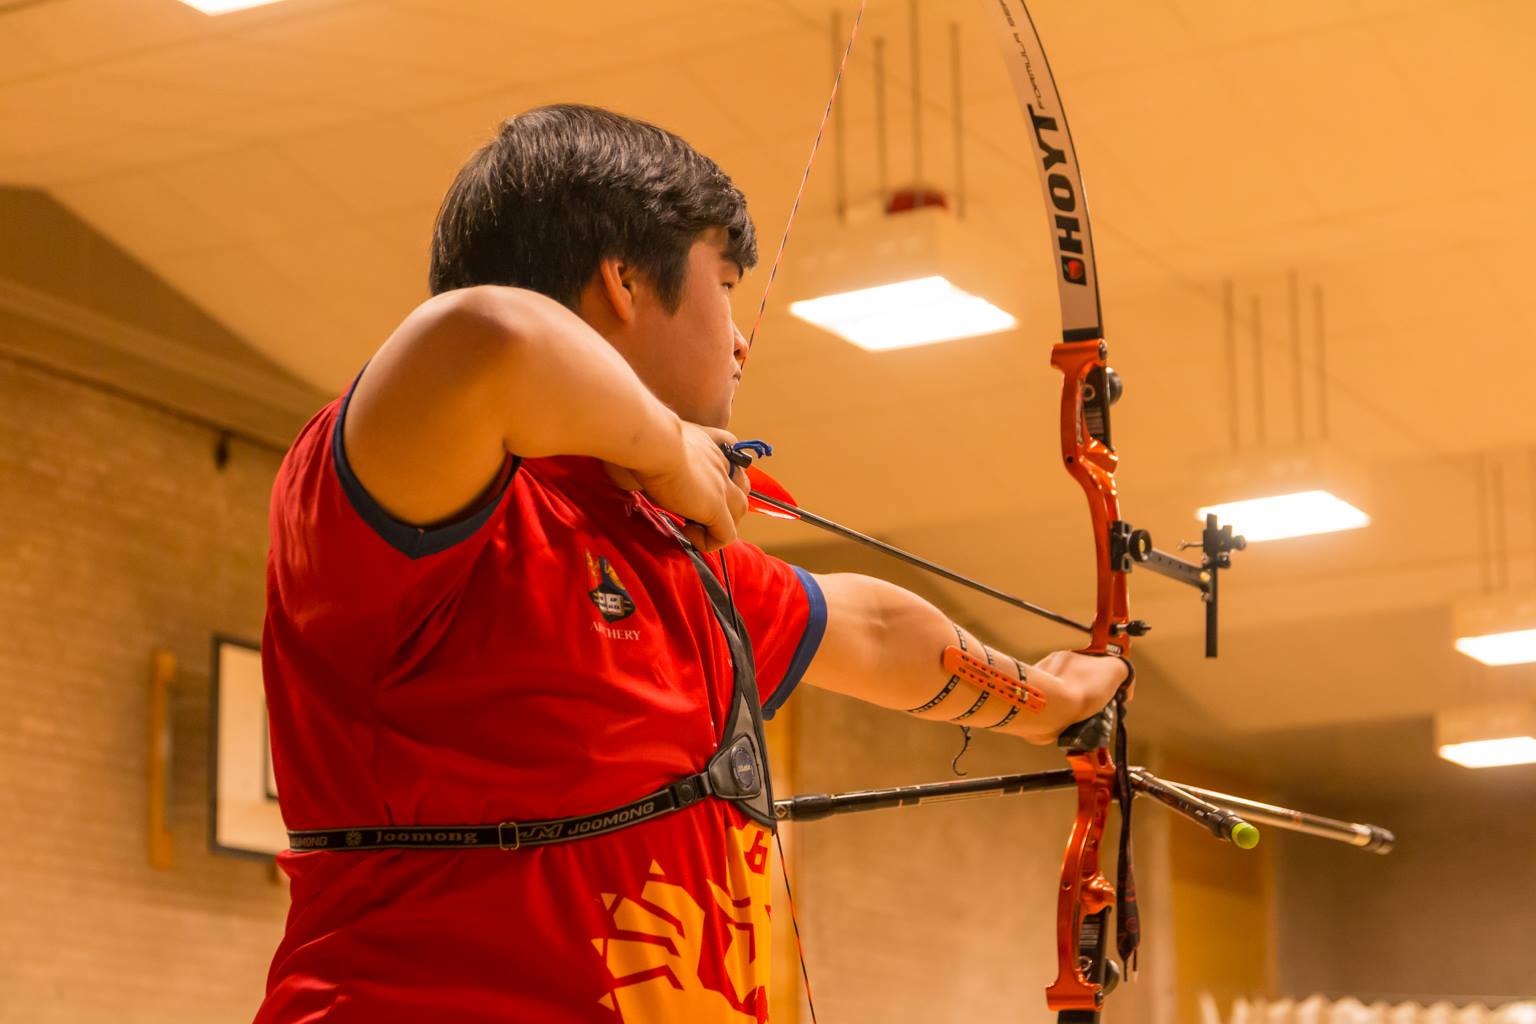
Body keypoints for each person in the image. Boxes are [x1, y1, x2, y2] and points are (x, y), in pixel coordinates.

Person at [255, 103, 1128, 1024]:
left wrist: (1049, 701)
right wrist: (670, 450)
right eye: (724, 282)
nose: (742, 336)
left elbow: (870, 629)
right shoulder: (409, 498)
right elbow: (485, 337)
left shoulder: (672, 562)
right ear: (624, 280)